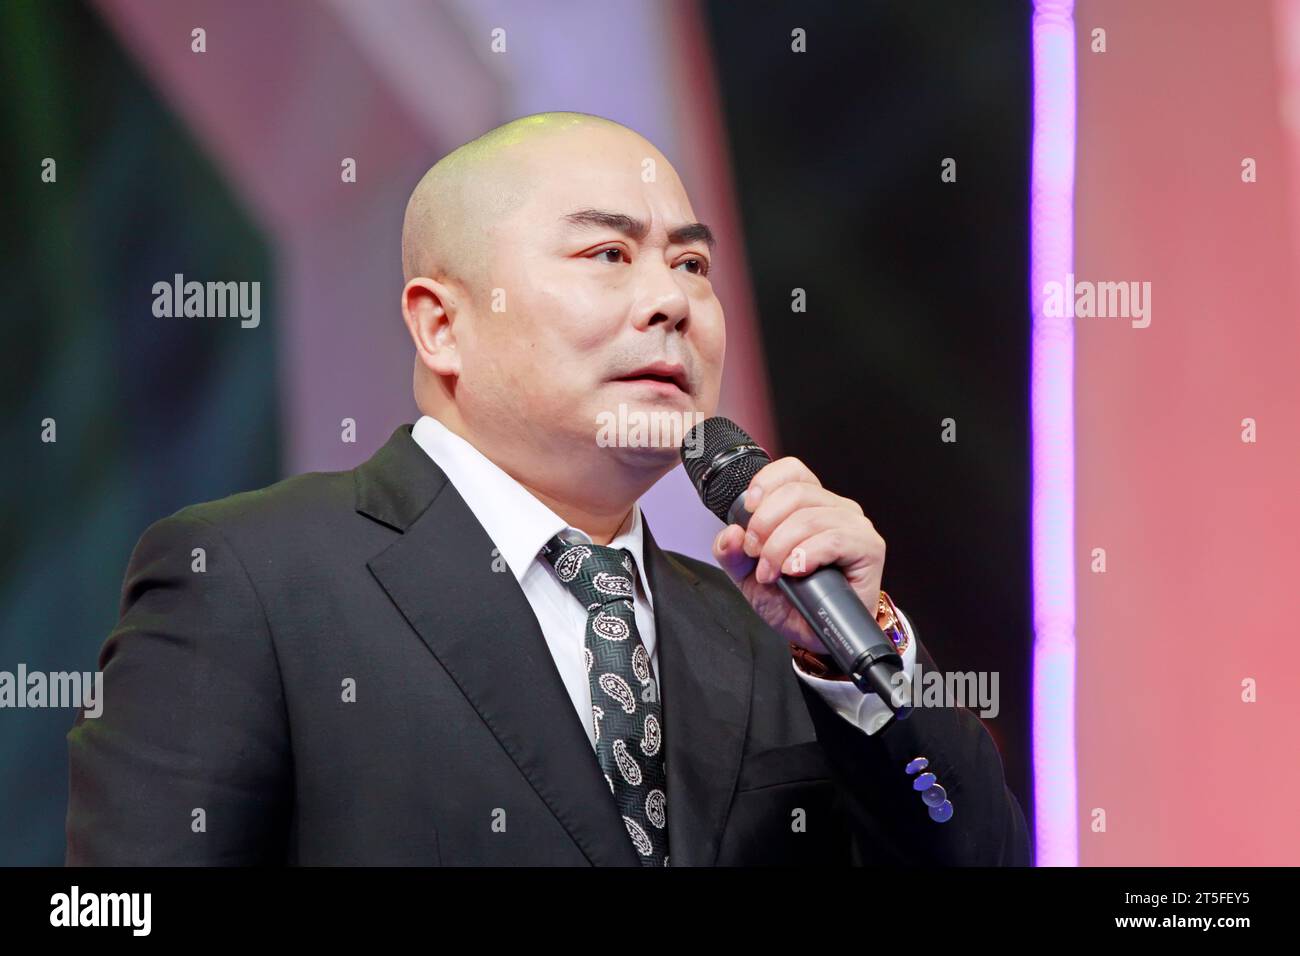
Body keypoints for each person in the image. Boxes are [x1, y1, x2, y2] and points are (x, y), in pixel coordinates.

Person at [66, 112, 1030, 866]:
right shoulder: (250, 580)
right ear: (442, 326)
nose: (671, 301)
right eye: (608, 255)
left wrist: (863, 660)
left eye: (692, 263)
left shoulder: (766, 632)